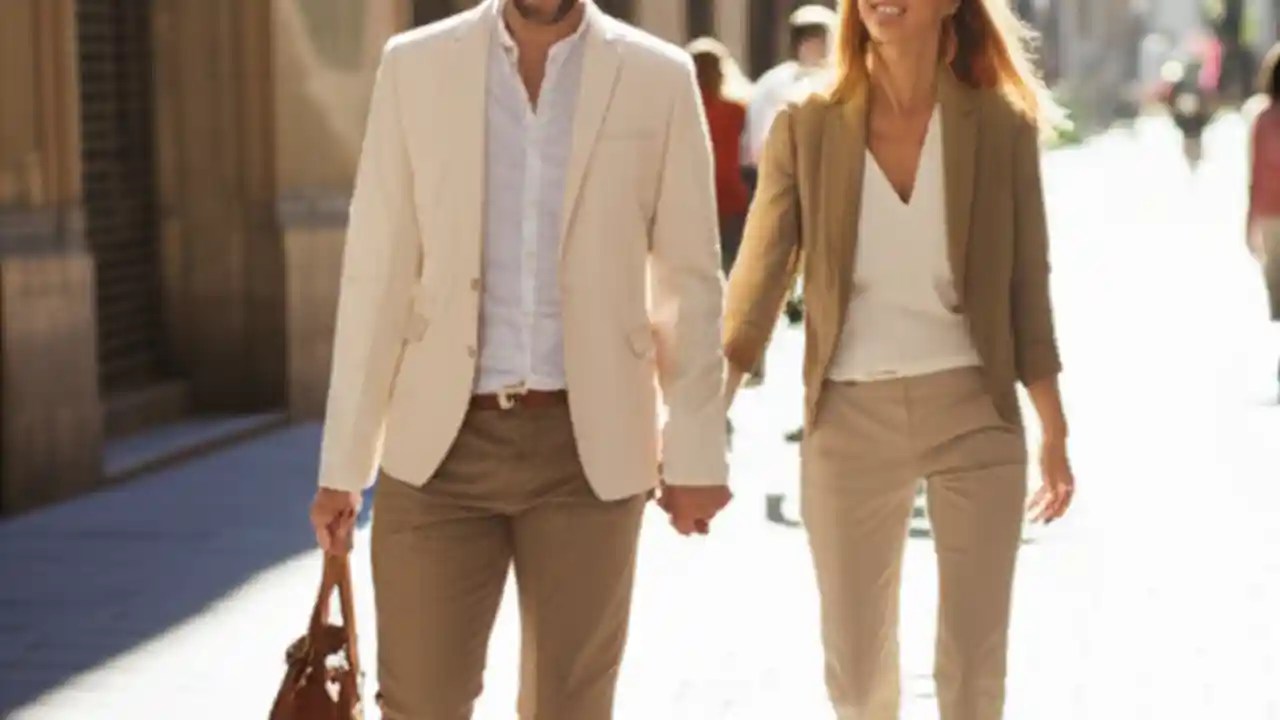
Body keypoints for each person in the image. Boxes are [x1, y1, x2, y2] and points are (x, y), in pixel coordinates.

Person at [308, 1, 731, 717]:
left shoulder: (657, 77)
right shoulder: (416, 66)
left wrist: (695, 453)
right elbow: (377, 270)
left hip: (588, 452)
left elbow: (688, 284)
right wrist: (343, 466)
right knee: (420, 703)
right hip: (438, 452)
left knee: (571, 706)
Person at [723, 0, 1076, 717]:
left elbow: (1026, 286)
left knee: (974, 673)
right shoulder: (807, 125)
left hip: (975, 411)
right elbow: (755, 286)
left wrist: (1053, 428)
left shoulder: (1000, 125)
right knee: (857, 679)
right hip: (850, 417)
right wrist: (705, 418)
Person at [687, 37, 752, 274]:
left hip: (694, 197)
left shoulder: (682, 111)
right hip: (730, 196)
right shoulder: (736, 111)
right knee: (733, 266)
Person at [1247, 43, 1280, 391]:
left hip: (1271, 213)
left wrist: (1250, 219)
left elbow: (1255, 172)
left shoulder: (1263, 119)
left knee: (1277, 281)